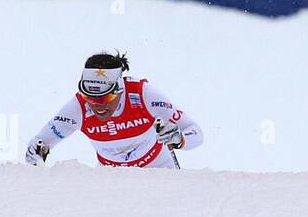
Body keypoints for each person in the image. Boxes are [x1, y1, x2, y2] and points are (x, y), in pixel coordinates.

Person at [26, 53, 202, 169]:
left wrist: (180, 139)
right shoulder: (78, 107)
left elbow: (196, 132)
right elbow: (40, 142)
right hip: (112, 178)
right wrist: (36, 153)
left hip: (158, 167)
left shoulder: (144, 95)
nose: (97, 106)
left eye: (104, 98)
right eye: (89, 97)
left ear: (120, 89)